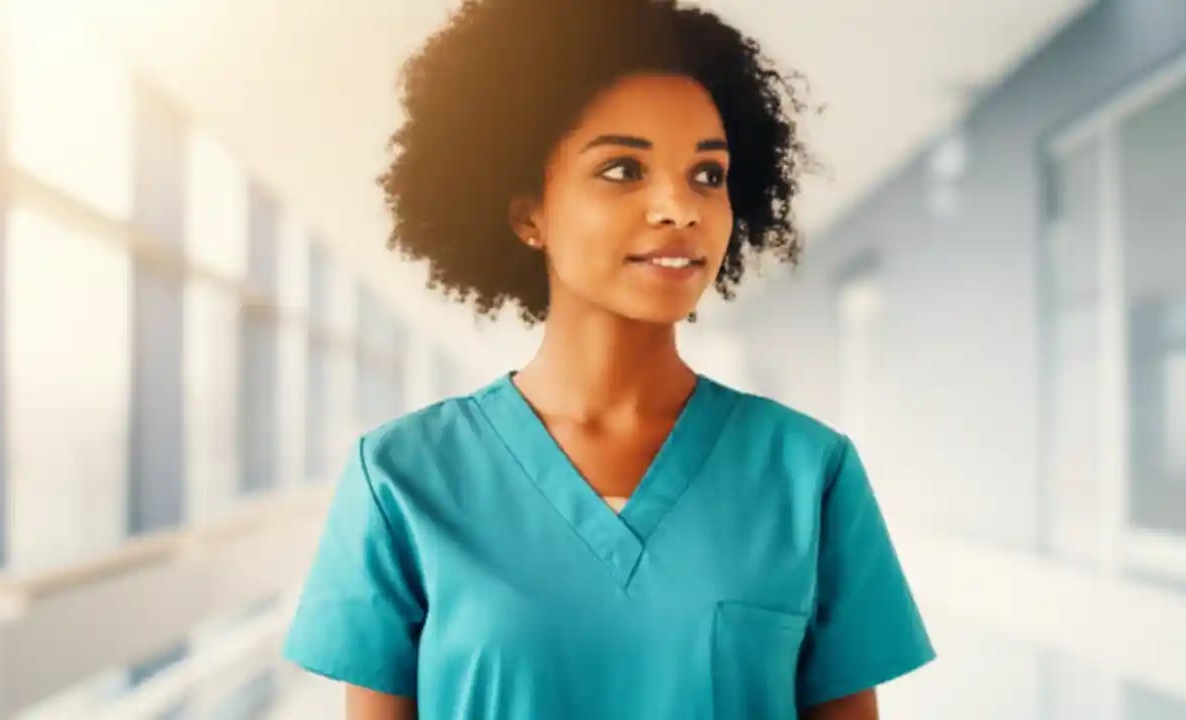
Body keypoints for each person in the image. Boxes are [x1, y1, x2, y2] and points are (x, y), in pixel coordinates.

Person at [281, 0, 936, 717]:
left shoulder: (809, 473)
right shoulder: (402, 479)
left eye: (708, 176)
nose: (679, 208)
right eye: (624, 169)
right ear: (528, 212)